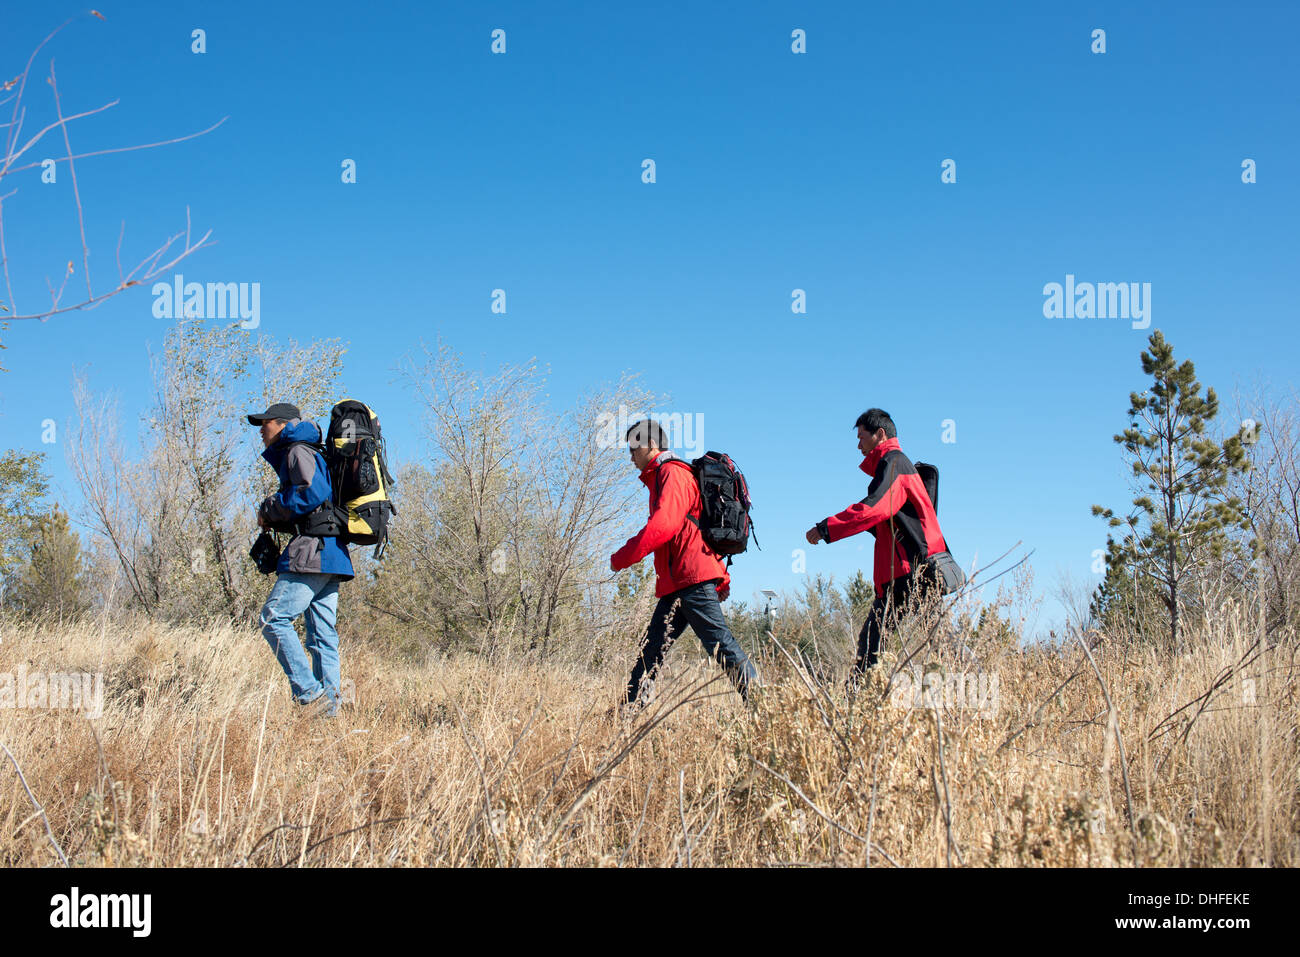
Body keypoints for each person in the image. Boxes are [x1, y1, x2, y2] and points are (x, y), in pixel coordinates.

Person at [610, 419, 756, 706]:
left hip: (691, 580)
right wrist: (721, 576)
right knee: (651, 649)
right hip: (680, 582)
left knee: (721, 647)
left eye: (633, 449)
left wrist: (622, 558)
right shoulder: (665, 475)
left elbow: (664, 525)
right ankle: (626, 713)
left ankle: (766, 706)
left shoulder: (672, 473)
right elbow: (693, 531)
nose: (630, 457)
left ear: (650, 445)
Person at [805, 408, 950, 677]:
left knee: (874, 646)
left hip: (908, 574)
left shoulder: (894, 463)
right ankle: (953, 703)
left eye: (862, 437)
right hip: (909, 574)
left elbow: (874, 509)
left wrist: (826, 528)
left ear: (880, 434)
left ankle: (855, 706)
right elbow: (880, 521)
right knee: (936, 644)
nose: (858, 445)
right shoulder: (894, 466)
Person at [248, 402, 354, 718]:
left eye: (264, 424)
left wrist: (270, 507)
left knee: (273, 618)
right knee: (322, 638)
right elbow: (315, 501)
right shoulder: (311, 449)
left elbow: (311, 493)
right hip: (333, 556)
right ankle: (330, 717)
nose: (261, 431)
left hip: (312, 553)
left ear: (282, 424)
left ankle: (310, 695)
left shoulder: (297, 450)